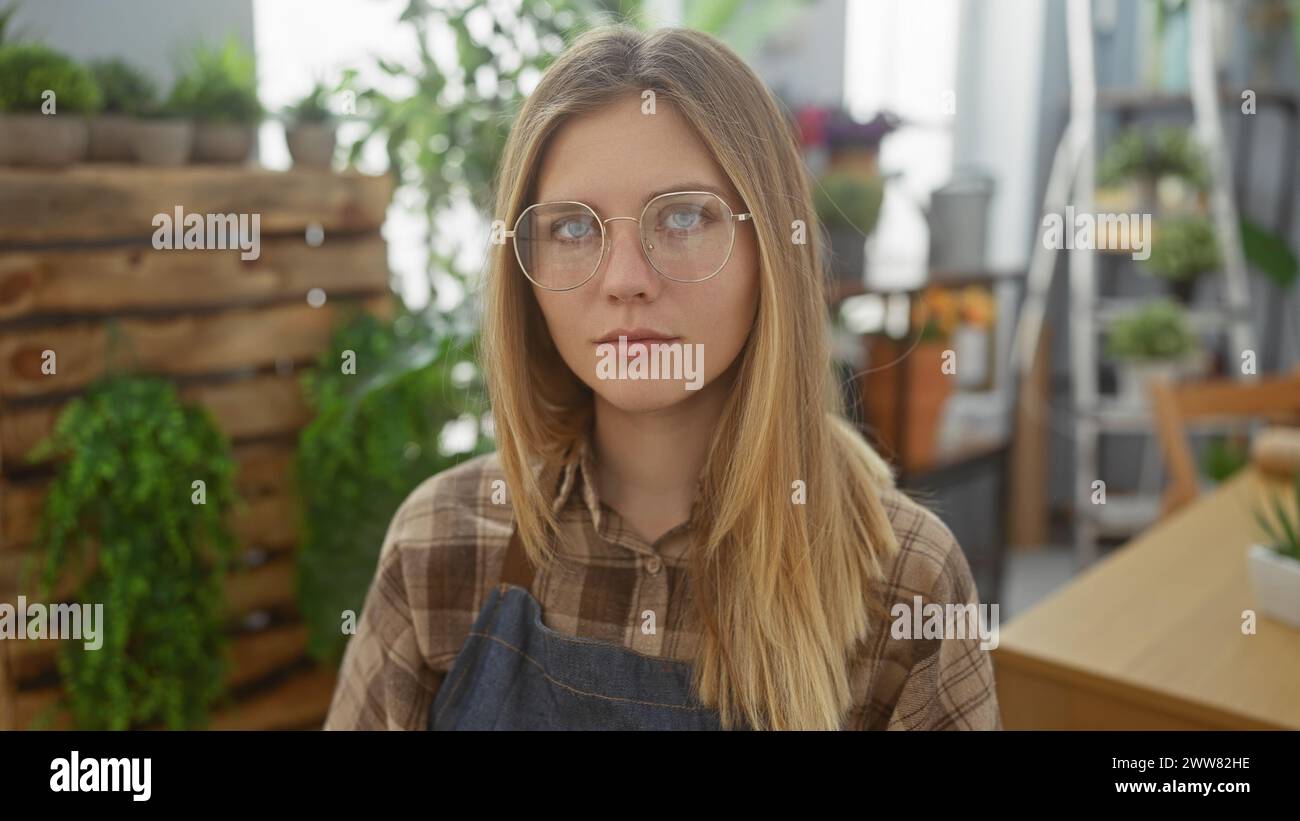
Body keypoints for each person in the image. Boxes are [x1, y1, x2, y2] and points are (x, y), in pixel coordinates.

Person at [324, 24, 1000, 731]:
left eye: (682, 216)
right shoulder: (440, 544)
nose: (625, 280)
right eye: (573, 228)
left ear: (770, 248)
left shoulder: (903, 585)